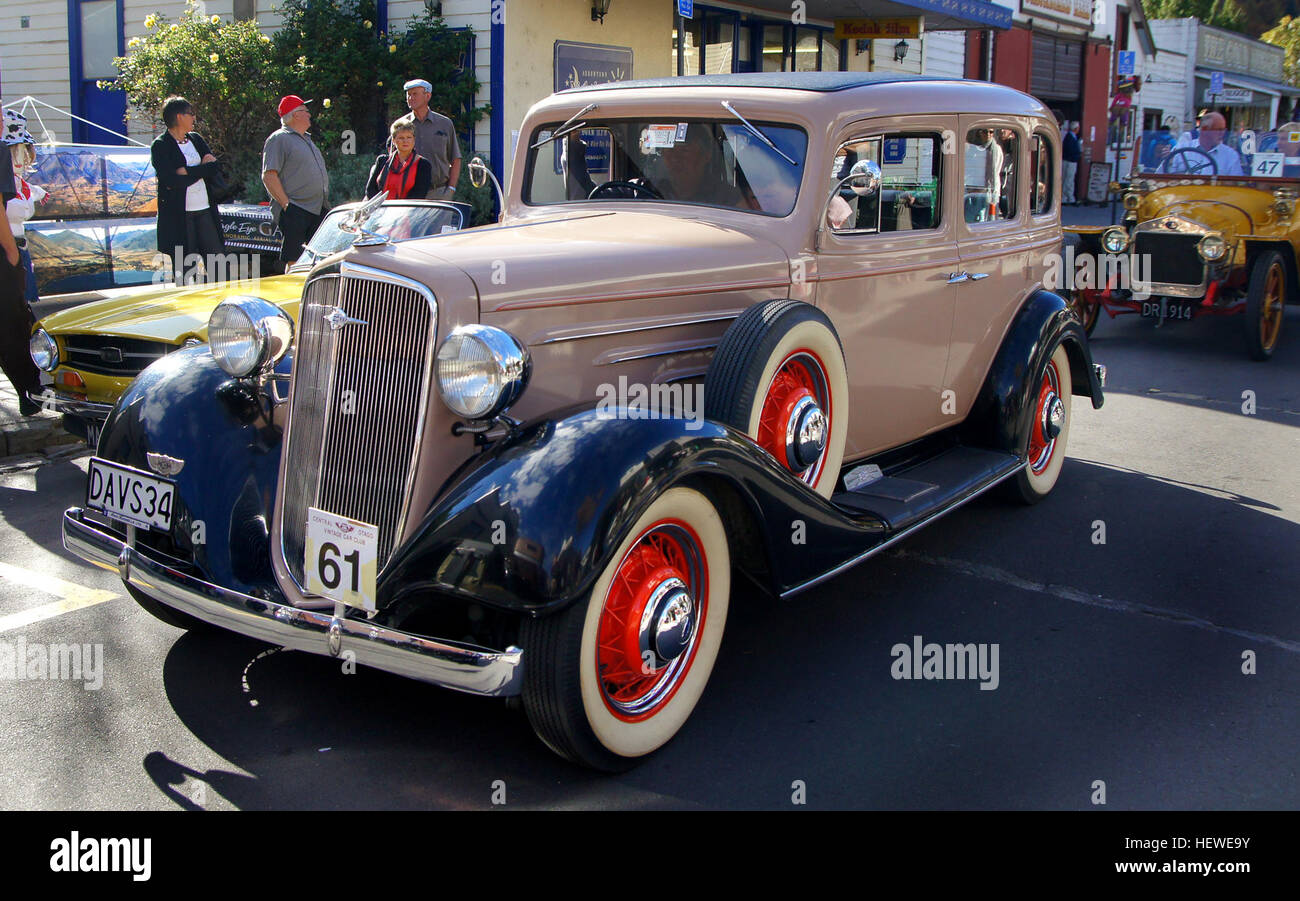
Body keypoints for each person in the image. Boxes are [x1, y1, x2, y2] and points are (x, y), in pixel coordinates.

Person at [150, 96, 226, 284]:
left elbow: (214, 167)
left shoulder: (196, 139)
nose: (194, 118)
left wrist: (188, 171)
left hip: (205, 210)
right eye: (190, 114)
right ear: (179, 116)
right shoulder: (161, 145)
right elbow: (171, 180)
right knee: (185, 270)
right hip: (179, 216)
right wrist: (201, 170)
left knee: (217, 264)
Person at [0, 107, 41, 415]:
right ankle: (30, 392)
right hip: (7, 248)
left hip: (14, 244)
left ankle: (30, 391)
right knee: (15, 324)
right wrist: (11, 251)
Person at [262, 94, 330, 267]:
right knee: (295, 260)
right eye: (305, 111)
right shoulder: (279, 138)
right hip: (296, 209)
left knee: (317, 261)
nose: (309, 114)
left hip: (317, 208)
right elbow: (269, 175)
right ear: (295, 115)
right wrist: (287, 205)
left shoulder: (306, 138)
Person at [6, 140, 46, 303]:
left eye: (23, 152)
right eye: (13, 153)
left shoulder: (22, 185)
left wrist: (41, 193)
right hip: (6, 247)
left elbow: (34, 192)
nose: (19, 159)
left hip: (20, 245)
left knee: (22, 299)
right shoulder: (7, 185)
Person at [364, 120, 432, 200]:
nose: (405, 141)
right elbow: (370, 190)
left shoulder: (423, 164)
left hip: (409, 207)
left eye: (409, 137)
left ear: (414, 140)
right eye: (401, 138)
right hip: (381, 207)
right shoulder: (382, 161)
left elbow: (419, 194)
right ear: (393, 140)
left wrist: (399, 206)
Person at [1164, 111, 1244, 176]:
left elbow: (1235, 185)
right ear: (1205, 130)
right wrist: (1169, 162)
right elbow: (1164, 177)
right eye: (1218, 130)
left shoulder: (1231, 156)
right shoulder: (1181, 149)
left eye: (1224, 130)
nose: (1222, 133)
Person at [1062, 121, 1081, 205]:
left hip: (1070, 161)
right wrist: (1077, 154)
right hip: (1070, 161)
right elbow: (1070, 150)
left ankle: (1068, 197)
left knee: (1068, 180)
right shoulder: (1070, 137)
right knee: (1068, 180)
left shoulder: (1072, 137)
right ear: (1076, 128)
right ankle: (1067, 198)